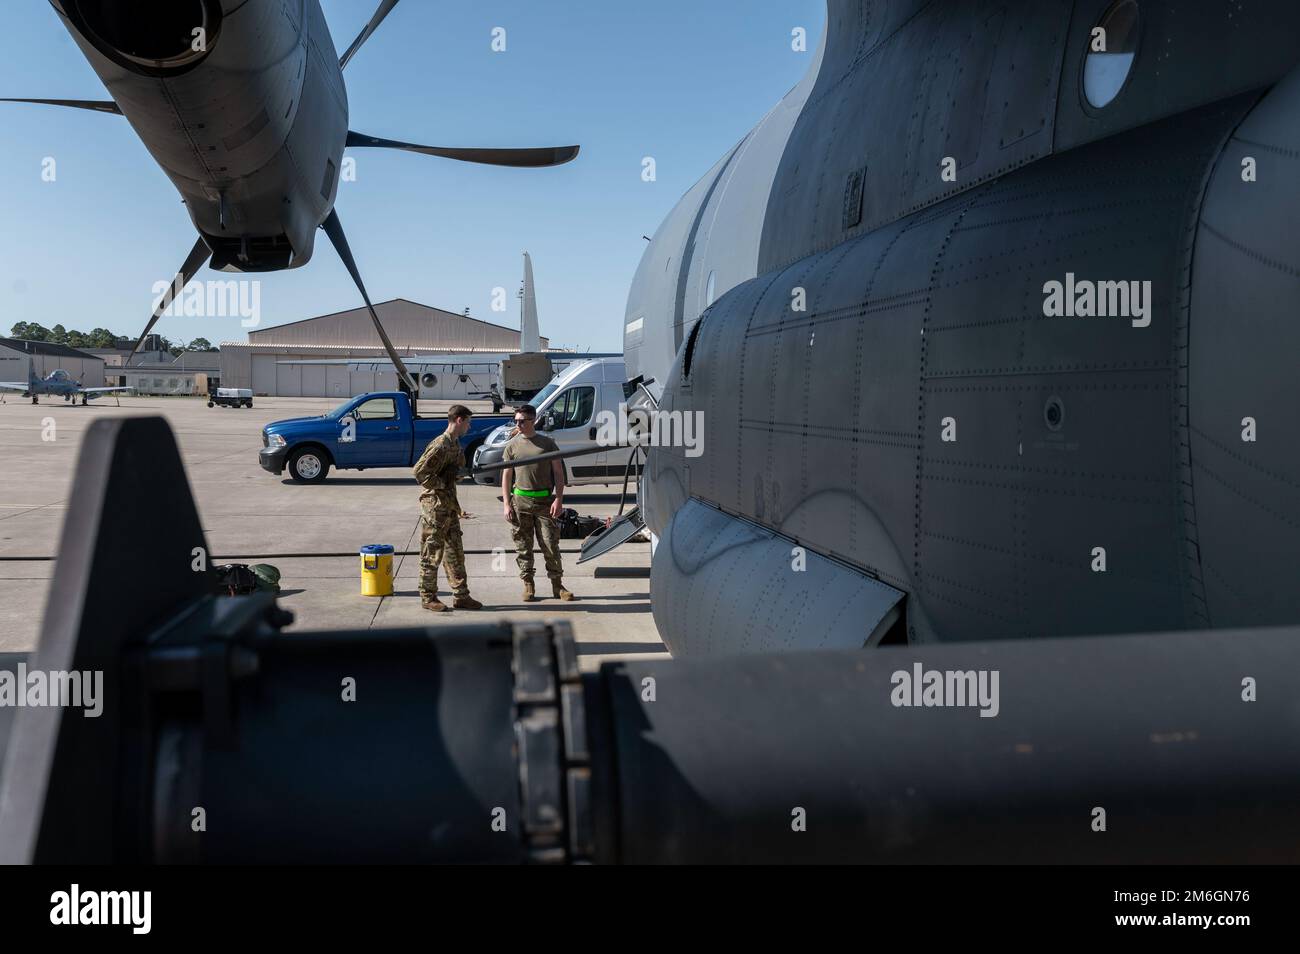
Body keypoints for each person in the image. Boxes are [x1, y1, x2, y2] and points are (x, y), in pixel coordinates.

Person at [412, 405, 483, 612]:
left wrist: (455, 475)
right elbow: (419, 473)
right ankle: (428, 597)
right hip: (435, 508)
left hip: (449, 506)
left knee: (455, 553)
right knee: (431, 553)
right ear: (459, 420)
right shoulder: (441, 444)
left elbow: (452, 472)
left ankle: (461, 596)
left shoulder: (455, 443)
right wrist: (443, 481)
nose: (469, 427)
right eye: (468, 422)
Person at [501, 404, 574, 602]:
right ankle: (528, 585)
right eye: (516, 421)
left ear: (533, 420)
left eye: (522, 421)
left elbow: (559, 473)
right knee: (523, 546)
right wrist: (507, 503)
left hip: (544, 502)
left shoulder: (547, 444)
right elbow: (506, 476)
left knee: (551, 545)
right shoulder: (512, 446)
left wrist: (559, 499)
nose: (519, 424)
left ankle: (557, 585)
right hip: (520, 501)